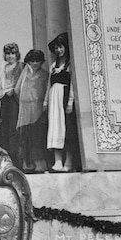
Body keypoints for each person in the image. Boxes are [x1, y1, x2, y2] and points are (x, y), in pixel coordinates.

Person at [45, 33, 79, 172]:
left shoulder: (70, 64)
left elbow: (72, 84)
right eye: (57, 48)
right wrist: (46, 101)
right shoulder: (53, 66)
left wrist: (70, 102)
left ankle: (68, 162)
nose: (59, 50)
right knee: (55, 127)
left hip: (64, 98)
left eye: (61, 47)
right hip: (54, 99)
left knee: (67, 128)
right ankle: (57, 161)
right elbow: (49, 84)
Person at [14, 49, 50, 172]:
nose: (35, 63)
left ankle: (40, 164)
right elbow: (17, 90)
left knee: (37, 136)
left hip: (38, 108)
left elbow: (47, 90)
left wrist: (44, 104)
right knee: (25, 136)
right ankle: (27, 164)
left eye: (37, 61)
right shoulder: (25, 75)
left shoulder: (45, 74)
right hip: (25, 109)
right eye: (32, 61)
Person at [0, 43, 26, 164]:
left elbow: (23, 82)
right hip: (5, 98)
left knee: (14, 127)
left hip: (16, 98)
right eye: (8, 54)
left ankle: (18, 158)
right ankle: (8, 158)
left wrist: (15, 90)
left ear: (17, 54)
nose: (10, 56)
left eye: (13, 53)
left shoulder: (21, 66)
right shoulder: (3, 67)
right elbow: (0, 83)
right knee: (5, 127)